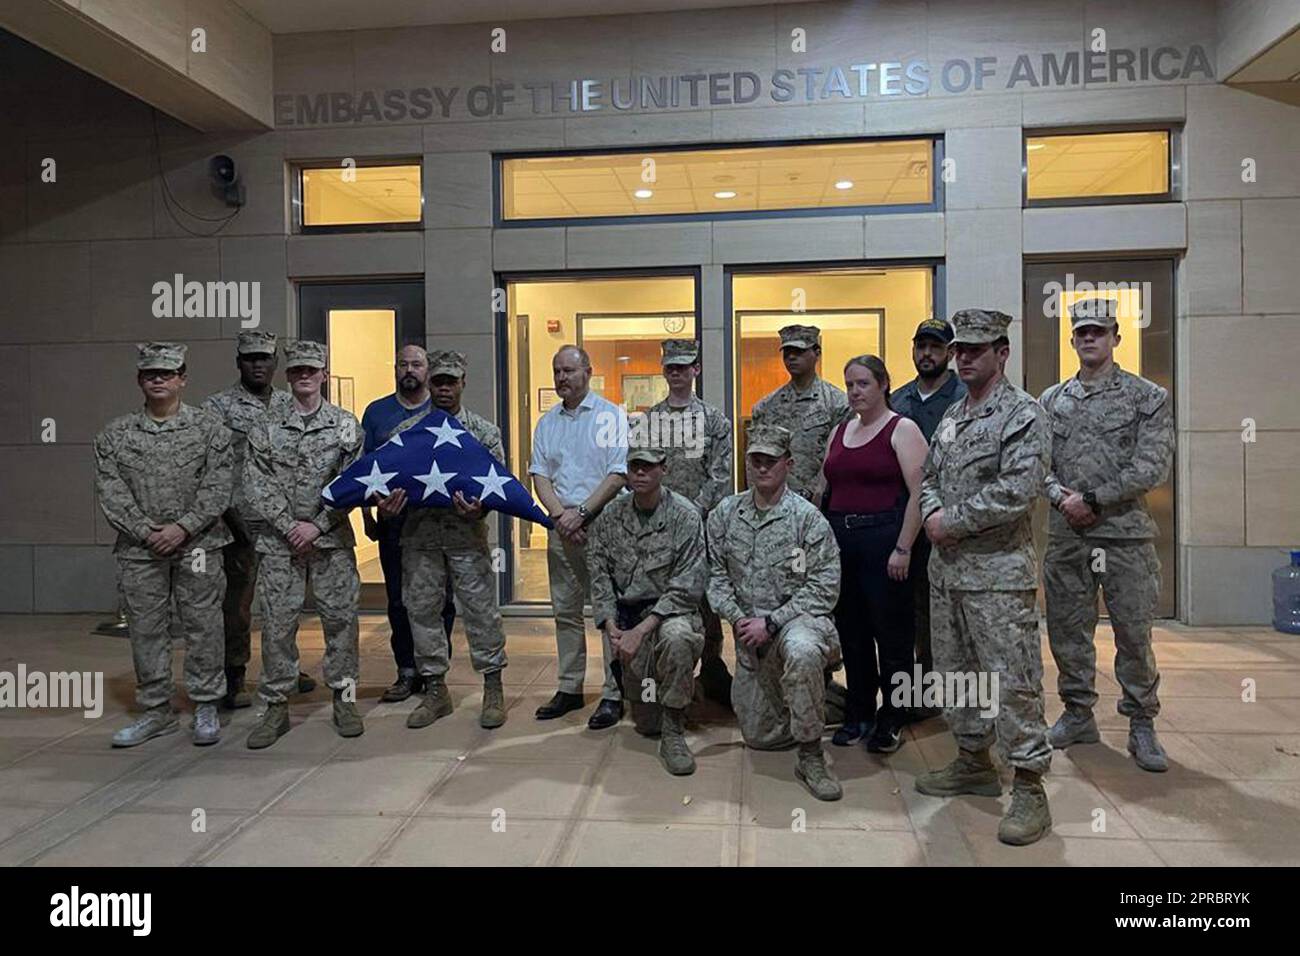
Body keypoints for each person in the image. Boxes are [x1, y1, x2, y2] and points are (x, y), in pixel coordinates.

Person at [914, 309, 1053, 847]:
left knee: (1013, 682)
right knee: (955, 674)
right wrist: (930, 512)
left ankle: (1029, 784)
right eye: (959, 350)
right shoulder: (953, 414)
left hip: (998, 578)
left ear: (1002, 352)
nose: (964, 357)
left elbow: (1018, 490)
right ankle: (973, 758)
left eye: (976, 348)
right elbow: (929, 476)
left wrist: (951, 520)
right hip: (948, 575)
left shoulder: (1023, 413)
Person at [1040, 299, 1174, 772]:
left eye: (1099, 331)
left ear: (1116, 337)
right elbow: (1040, 465)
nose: (1089, 338)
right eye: (1082, 332)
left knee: (1134, 634)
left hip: (1125, 538)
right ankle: (1078, 713)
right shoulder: (1051, 401)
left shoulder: (1146, 397)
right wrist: (1062, 498)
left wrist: (1092, 499)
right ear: (1072, 339)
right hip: (1067, 536)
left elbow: (1152, 465)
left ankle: (1141, 722)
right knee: (1067, 632)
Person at [94, 342, 233, 747]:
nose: (159, 379)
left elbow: (218, 486)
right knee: (146, 629)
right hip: (140, 550)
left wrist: (184, 528)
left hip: (200, 546)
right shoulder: (115, 435)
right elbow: (111, 490)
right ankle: (156, 710)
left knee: (203, 625)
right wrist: (146, 530)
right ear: (139, 379)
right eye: (151, 373)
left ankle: (206, 703)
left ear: (182, 379)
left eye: (167, 373)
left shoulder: (210, 430)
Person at [374, 350, 510, 730]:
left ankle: (493, 686)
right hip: (419, 539)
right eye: (439, 381)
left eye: (452, 381)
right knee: (421, 612)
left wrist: (480, 510)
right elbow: (384, 483)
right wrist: (386, 508)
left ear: (463, 383)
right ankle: (436, 689)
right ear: (429, 384)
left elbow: (496, 485)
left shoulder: (483, 433)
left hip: (466, 539)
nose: (445, 388)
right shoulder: (406, 435)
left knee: (481, 612)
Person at [707, 424, 844, 801]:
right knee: (760, 739)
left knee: (800, 652)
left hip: (798, 623)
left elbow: (823, 587)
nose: (762, 467)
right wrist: (737, 619)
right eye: (756, 460)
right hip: (750, 633)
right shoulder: (725, 514)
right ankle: (823, 698)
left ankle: (811, 754)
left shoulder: (807, 519)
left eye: (771, 460)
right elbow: (716, 578)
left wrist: (771, 622)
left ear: (789, 463)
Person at [242, 340, 365, 749]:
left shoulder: (346, 426)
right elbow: (256, 483)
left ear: (324, 375)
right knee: (277, 626)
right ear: (288, 376)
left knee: (341, 623)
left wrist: (317, 525)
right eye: (297, 371)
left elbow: (353, 484)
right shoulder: (265, 428)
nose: (305, 377)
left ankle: (344, 699)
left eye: (312, 370)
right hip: (279, 544)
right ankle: (276, 705)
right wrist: (288, 525)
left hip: (330, 543)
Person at [817, 355, 928, 752]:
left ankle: (893, 717)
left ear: (884, 384)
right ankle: (859, 711)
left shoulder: (903, 429)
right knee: (853, 635)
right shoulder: (841, 431)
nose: (854, 392)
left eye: (863, 383)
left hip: (886, 543)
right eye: (849, 385)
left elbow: (920, 493)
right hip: (841, 545)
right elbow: (825, 490)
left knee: (894, 638)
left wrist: (904, 547)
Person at [203, 330, 314, 708]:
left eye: (265, 358)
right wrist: (231, 518)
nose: (258, 364)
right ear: (239, 363)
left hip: (283, 522)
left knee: (285, 602)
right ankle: (234, 674)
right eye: (250, 358)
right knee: (237, 607)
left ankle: (283, 667)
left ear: (275, 363)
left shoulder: (289, 404)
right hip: (239, 523)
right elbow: (212, 470)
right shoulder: (217, 407)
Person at [587, 445, 707, 775]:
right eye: (634, 466)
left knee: (679, 639)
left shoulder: (685, 516)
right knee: (645, 722)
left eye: (648, 467)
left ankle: (674, 730)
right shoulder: (611, 516)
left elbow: (688, 586)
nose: (640, 473)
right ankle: (662, 696)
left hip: (671, 613)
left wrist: (641, 631)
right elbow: (599, 574)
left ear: (663, 469)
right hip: (628, 617)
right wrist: (611, 625)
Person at [529, 345, 629, 729]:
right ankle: (570, 688)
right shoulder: (547, 423)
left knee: (607, 613)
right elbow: (539, 474)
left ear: (588, 371)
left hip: (601, 524)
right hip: (562, 527)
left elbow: (618, 473)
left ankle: (612, 694)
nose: (561, 378)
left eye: (569, 371)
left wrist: (583, 513)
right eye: (556, 371)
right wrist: (560, 515)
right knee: (566, 612)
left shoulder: (610, 416)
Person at [361, 345, 456, 704]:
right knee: (399, 600)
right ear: (396, 369)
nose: (409, 370)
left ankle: (435, 672)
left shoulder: (442, 411)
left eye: (417, 364)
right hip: (394, 523)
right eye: (403, 364)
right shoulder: (377, 413)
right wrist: (369, 515)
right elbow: (364, 468)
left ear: (428, 370)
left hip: (436, 524)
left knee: (440, 600)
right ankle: (406, 671)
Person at [644, 338, 734, 707]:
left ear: (696, 369)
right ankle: (666, 670)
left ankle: (711, 665)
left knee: (707, 599)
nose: (678, 373)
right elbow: (642, 470)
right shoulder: (651, 419)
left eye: (684, 366)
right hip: (660, 526)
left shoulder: (713, 419)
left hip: (702, 524)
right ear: (665, 371)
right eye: (671, 367)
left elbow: (721, 472)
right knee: (664, 595)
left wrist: (695, 511)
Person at [889, 318, 967, 722]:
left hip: (954, 525)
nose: (927, 354)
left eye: (935, 347)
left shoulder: (965, 398)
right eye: (921, 346)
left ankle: (954, 696)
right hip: (908, 525)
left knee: (950, 613)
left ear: (950, 352)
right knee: (916, 608)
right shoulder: (899, 401)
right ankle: (920, 690)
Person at [750, 324, 849, 503]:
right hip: (775, 500)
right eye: (787, 352)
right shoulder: (766, 406)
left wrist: (815, 491)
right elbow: (755, 459)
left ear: (816, 353)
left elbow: (839, 457)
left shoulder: (837, 403)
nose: (791, 357)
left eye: (799, 351)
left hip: (822, 500)